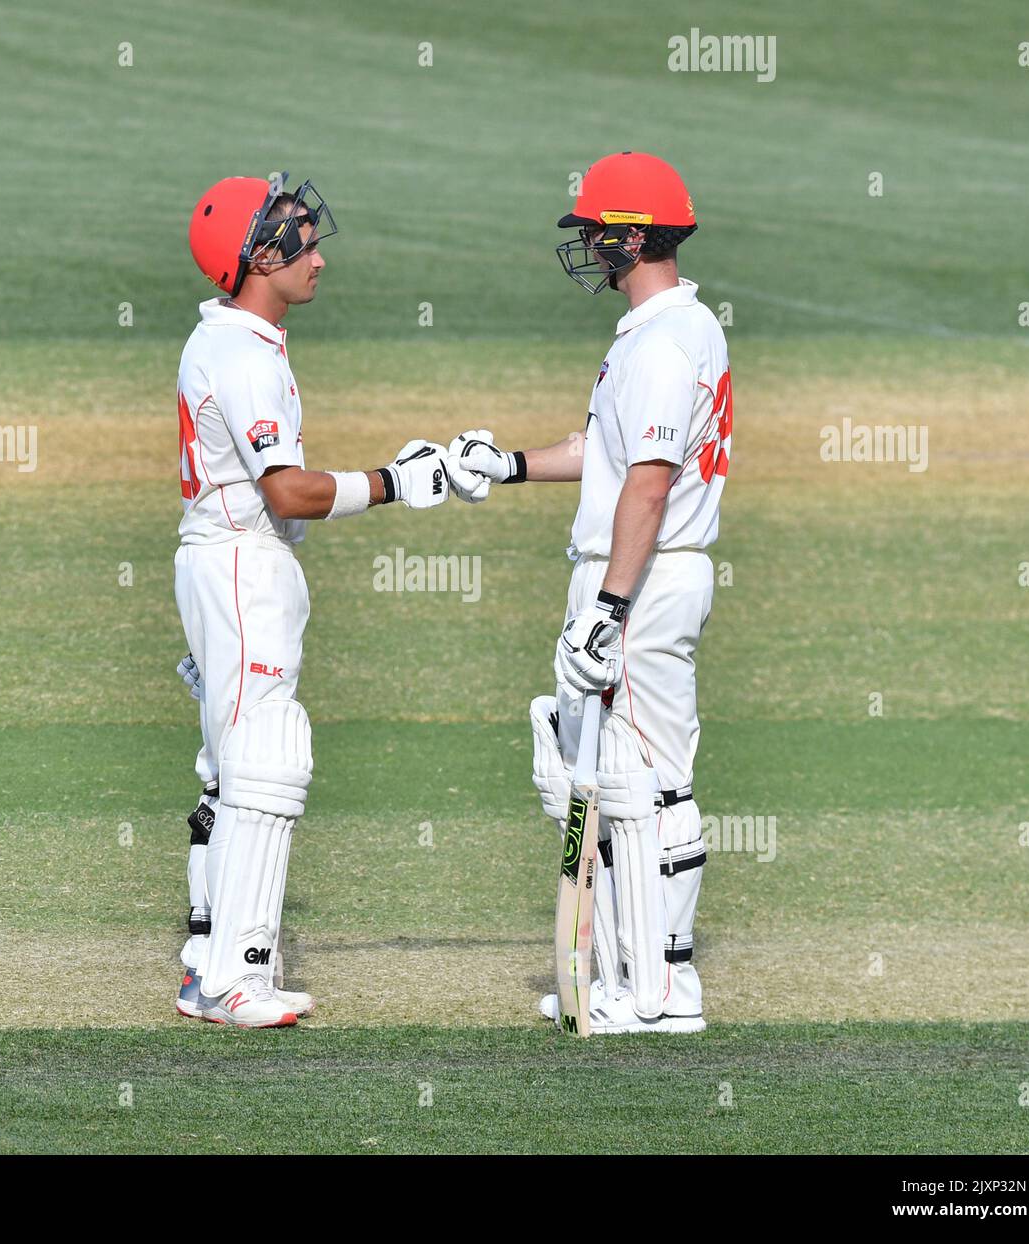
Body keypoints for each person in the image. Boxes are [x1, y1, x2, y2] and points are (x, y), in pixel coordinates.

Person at [446, 151, 731, 1033]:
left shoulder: (667, 339)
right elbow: (605, 454)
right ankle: (623, 975)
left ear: (636, 235)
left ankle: (661, 990)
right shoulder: (658, 335)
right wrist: (511, 466)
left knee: (649, 783)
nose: (589, 247)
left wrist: (608, 608)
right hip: (634, 572)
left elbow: (648, 481)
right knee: (613, 779)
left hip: (642, 579)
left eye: (599, 233)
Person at [174, 172, 449, 1027]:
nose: (318, 254)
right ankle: (236, 978)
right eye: (300, 236)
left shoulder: (233, 340)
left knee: (232, 765)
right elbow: (289, 493)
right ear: (259, 254)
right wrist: (395, 483)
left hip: (229, 563)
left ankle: (206, 957)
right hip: (243, 563)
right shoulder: (243, 353)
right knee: (267, 758)